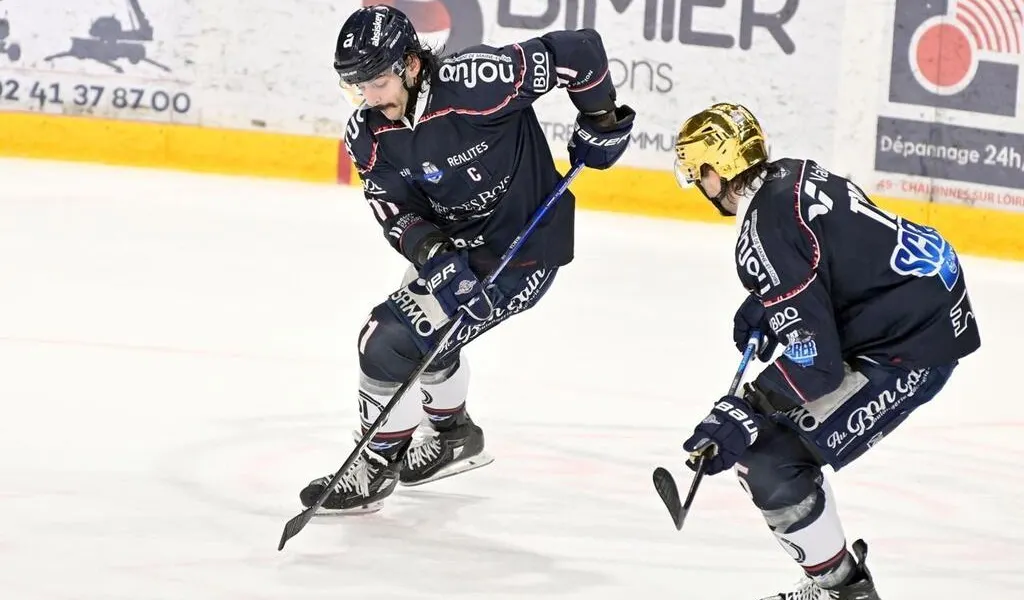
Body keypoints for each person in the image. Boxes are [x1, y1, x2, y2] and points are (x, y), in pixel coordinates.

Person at [299, 4, 634, 513]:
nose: (369, 97)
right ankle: (454, 435)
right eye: (356, 86)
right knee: (426, 331)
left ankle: (376, 465)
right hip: (457, 253)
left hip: (521, 253)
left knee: (385, 339)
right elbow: (394, 211)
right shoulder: (368, 134)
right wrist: (435, 257)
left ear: (411, 64)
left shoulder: (477, 82)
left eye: (377, 81)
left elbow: (580, 51)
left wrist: (601, 118)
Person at [671, 103, 980, 599]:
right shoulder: (792, 173)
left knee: (767, 458)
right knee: (767, 435)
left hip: (911, 343)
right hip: (920, 297)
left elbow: (817, 368)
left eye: (697, 172)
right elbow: (836, 250)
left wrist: (747, 407)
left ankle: (842, 590)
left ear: (717, 169)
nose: (697, 185)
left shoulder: (762, 235)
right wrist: (772, 300)